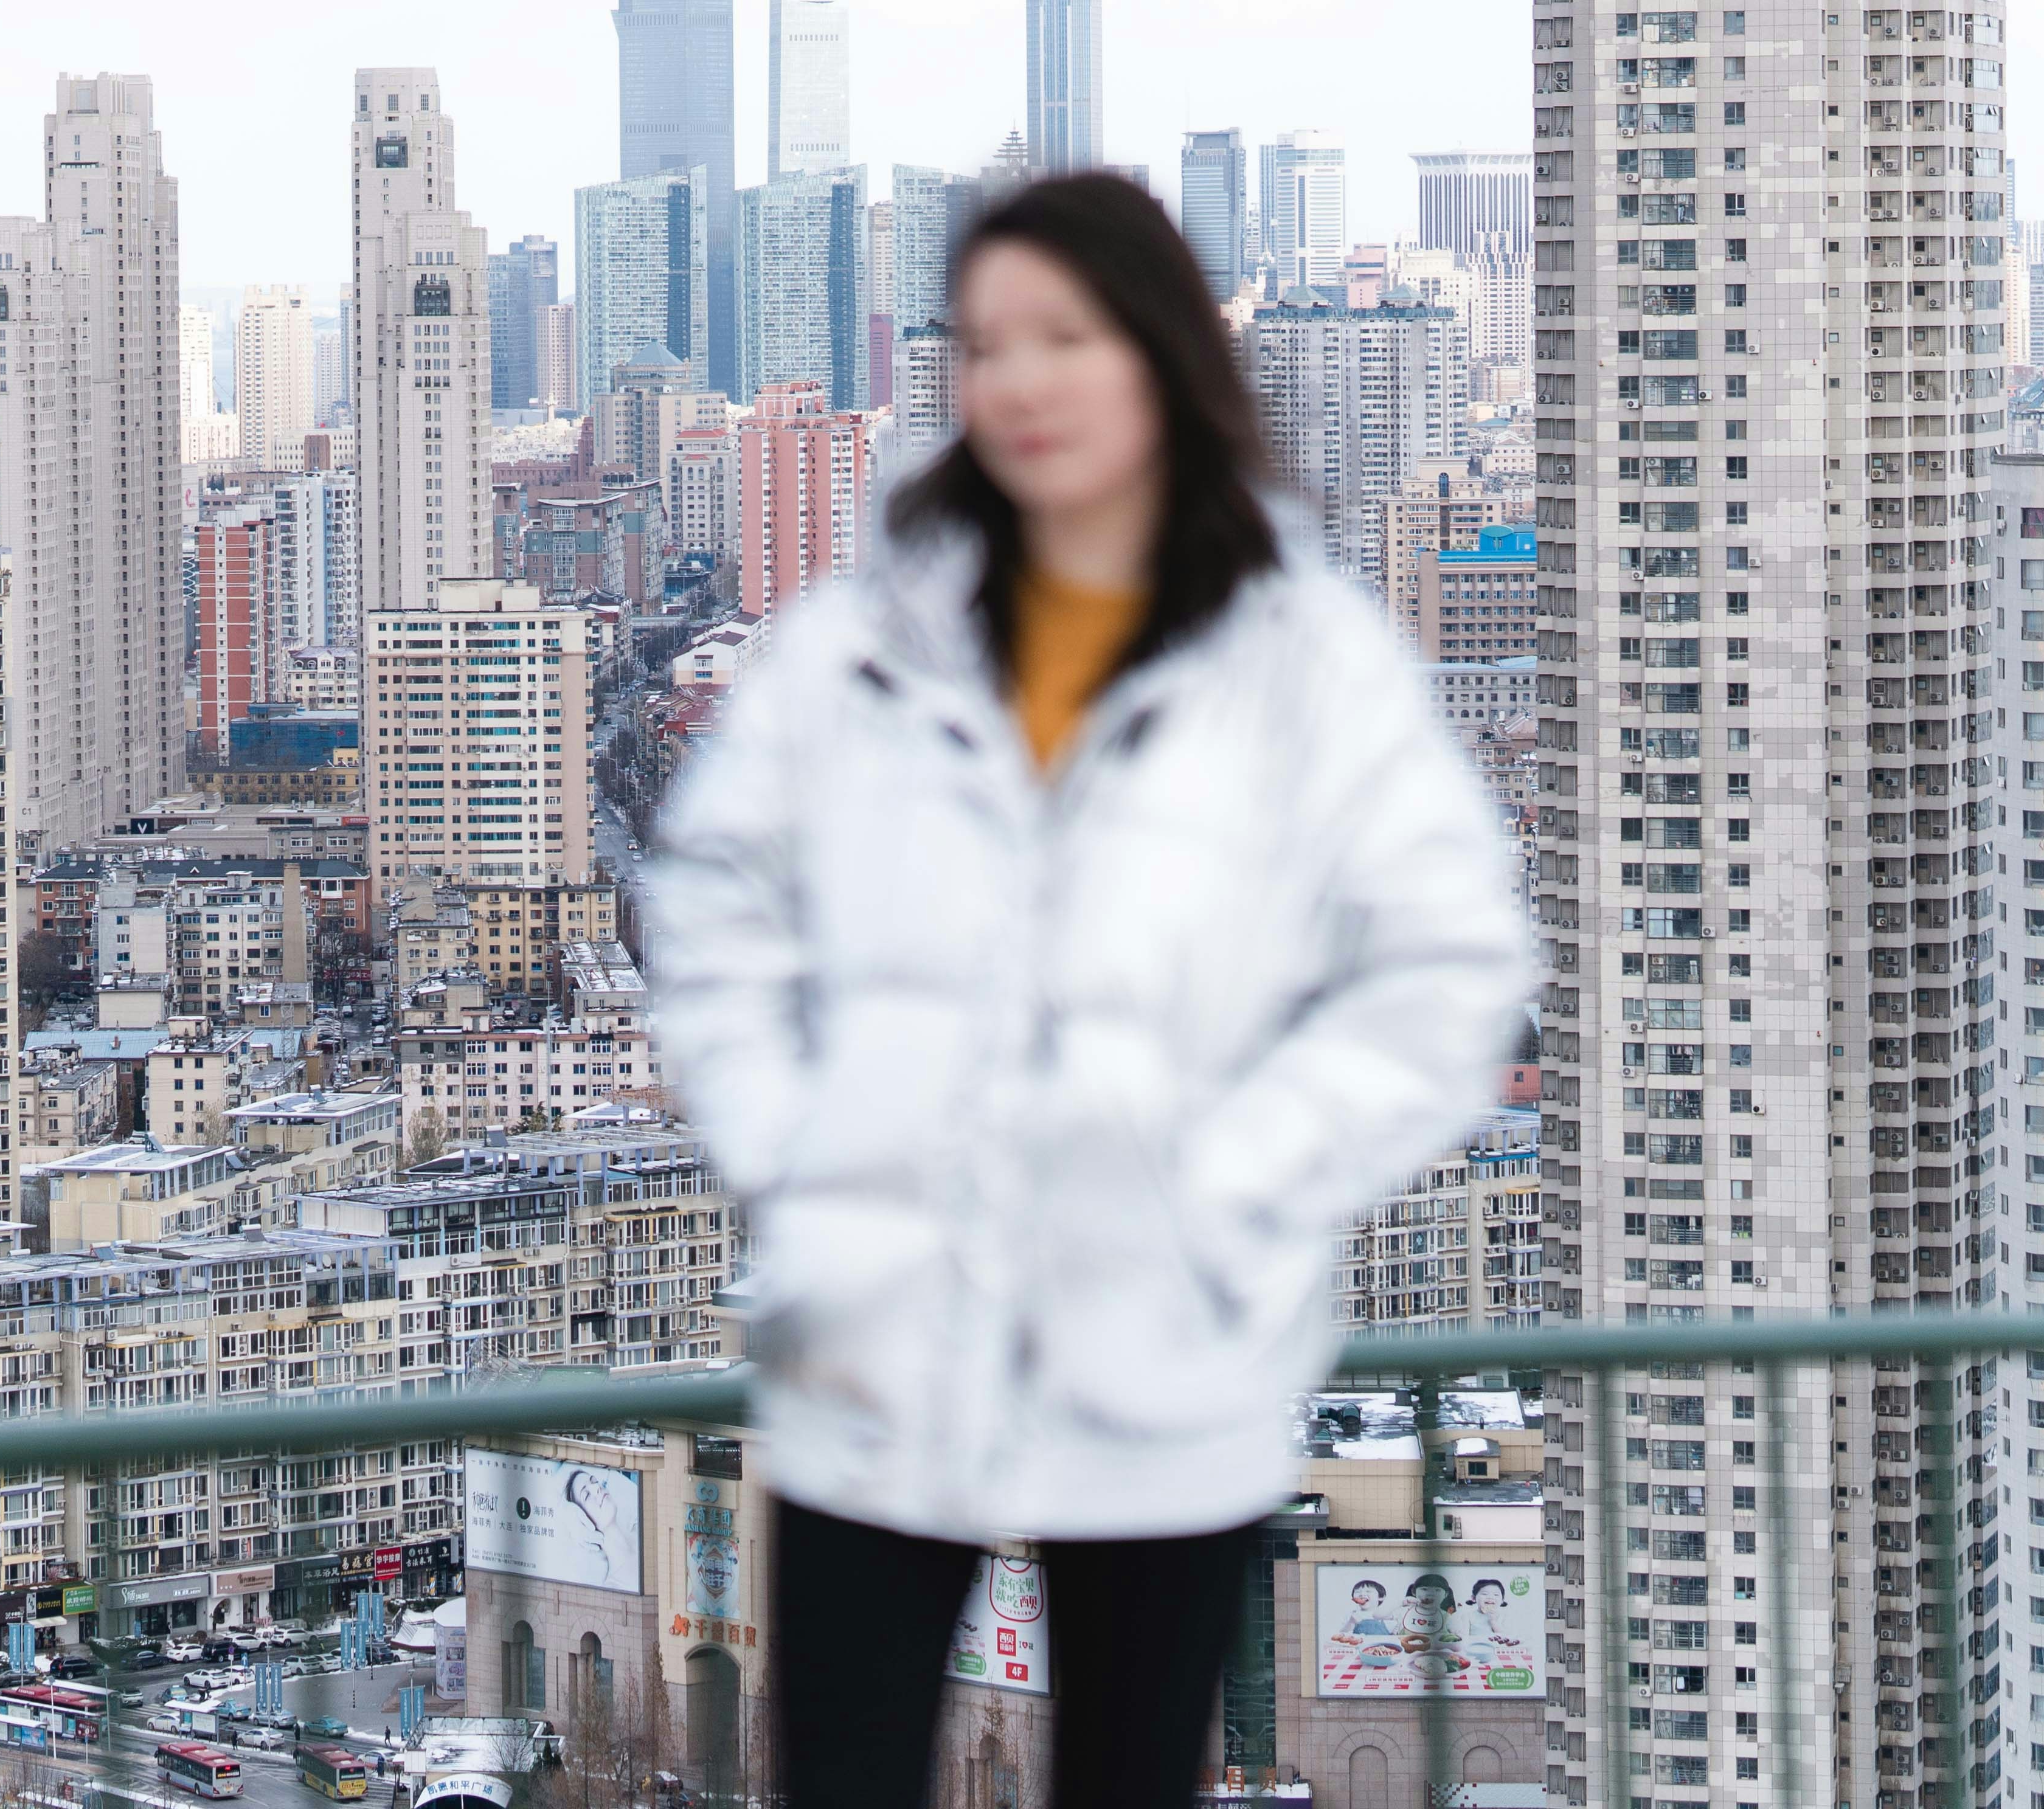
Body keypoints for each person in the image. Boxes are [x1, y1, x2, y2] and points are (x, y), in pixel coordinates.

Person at [647, 171, 1531, 1809]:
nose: (1019, 382)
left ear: (1161, 357)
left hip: (1166, 1351)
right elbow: (709, 909)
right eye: (985, 343)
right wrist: (799, 1151)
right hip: (876, 1339)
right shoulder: (861, 646)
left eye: (1064, 335)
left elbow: (1451, 962)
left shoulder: (1300, 659)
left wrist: (1232, 1187)